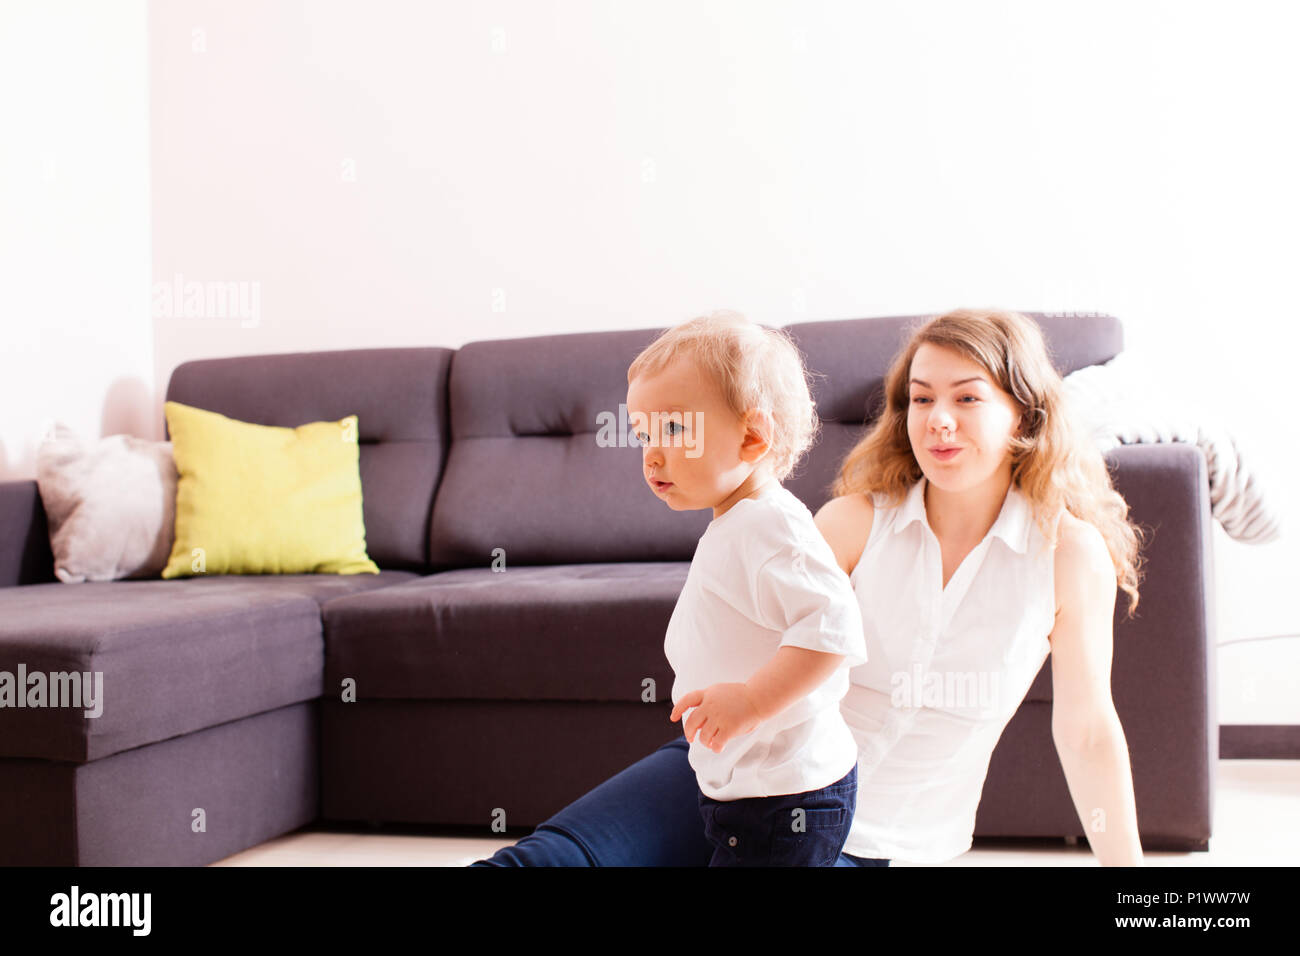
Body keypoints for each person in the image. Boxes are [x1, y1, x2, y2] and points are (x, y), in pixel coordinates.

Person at [471, 307, 1146, 867]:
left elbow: (1087, 730)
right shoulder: (855, 521)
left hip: (883, 843)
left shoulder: (1067, 553)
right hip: (744, 771)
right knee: (545, 863)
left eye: (967, 397)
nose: (938, 418)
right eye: (920, 398)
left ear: (1023, 418)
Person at [625, 313, 869, 866]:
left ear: (753, 437)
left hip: (786, 799)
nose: (651, 455)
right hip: (756, 787)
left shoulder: (769, 526)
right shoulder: (737, 521)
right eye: (643, 435)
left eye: (673, 430)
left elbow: (833, 628)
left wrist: (754, 701)